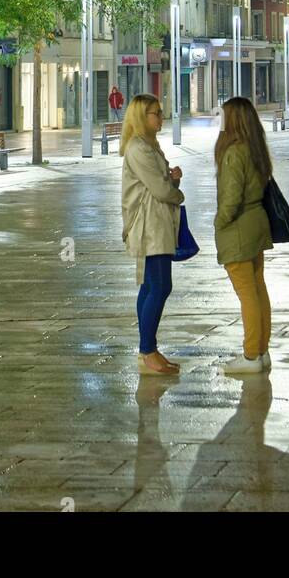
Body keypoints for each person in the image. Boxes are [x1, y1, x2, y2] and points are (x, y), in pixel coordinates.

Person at [121, 93, 185, 375]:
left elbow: (159, 183)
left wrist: (172, 179)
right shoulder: (139, 149)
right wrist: (177, 192)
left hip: (156, 224)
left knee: (151, 286)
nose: (161, 117)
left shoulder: (149, 146)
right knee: (159, 287)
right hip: (149, 227)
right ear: (141, 117)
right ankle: (147, 350)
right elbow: (160, 190)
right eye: (156, 113)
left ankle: (147, 349)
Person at [215, 96, 274, 374]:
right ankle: (262, 351)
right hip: (257, 222)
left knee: (247, 294)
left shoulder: (233, 152)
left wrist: (219, 222)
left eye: (225, 116)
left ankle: (251, 355)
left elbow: (231, 197)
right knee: (258, 289)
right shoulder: (255, 148)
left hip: (239, 227)